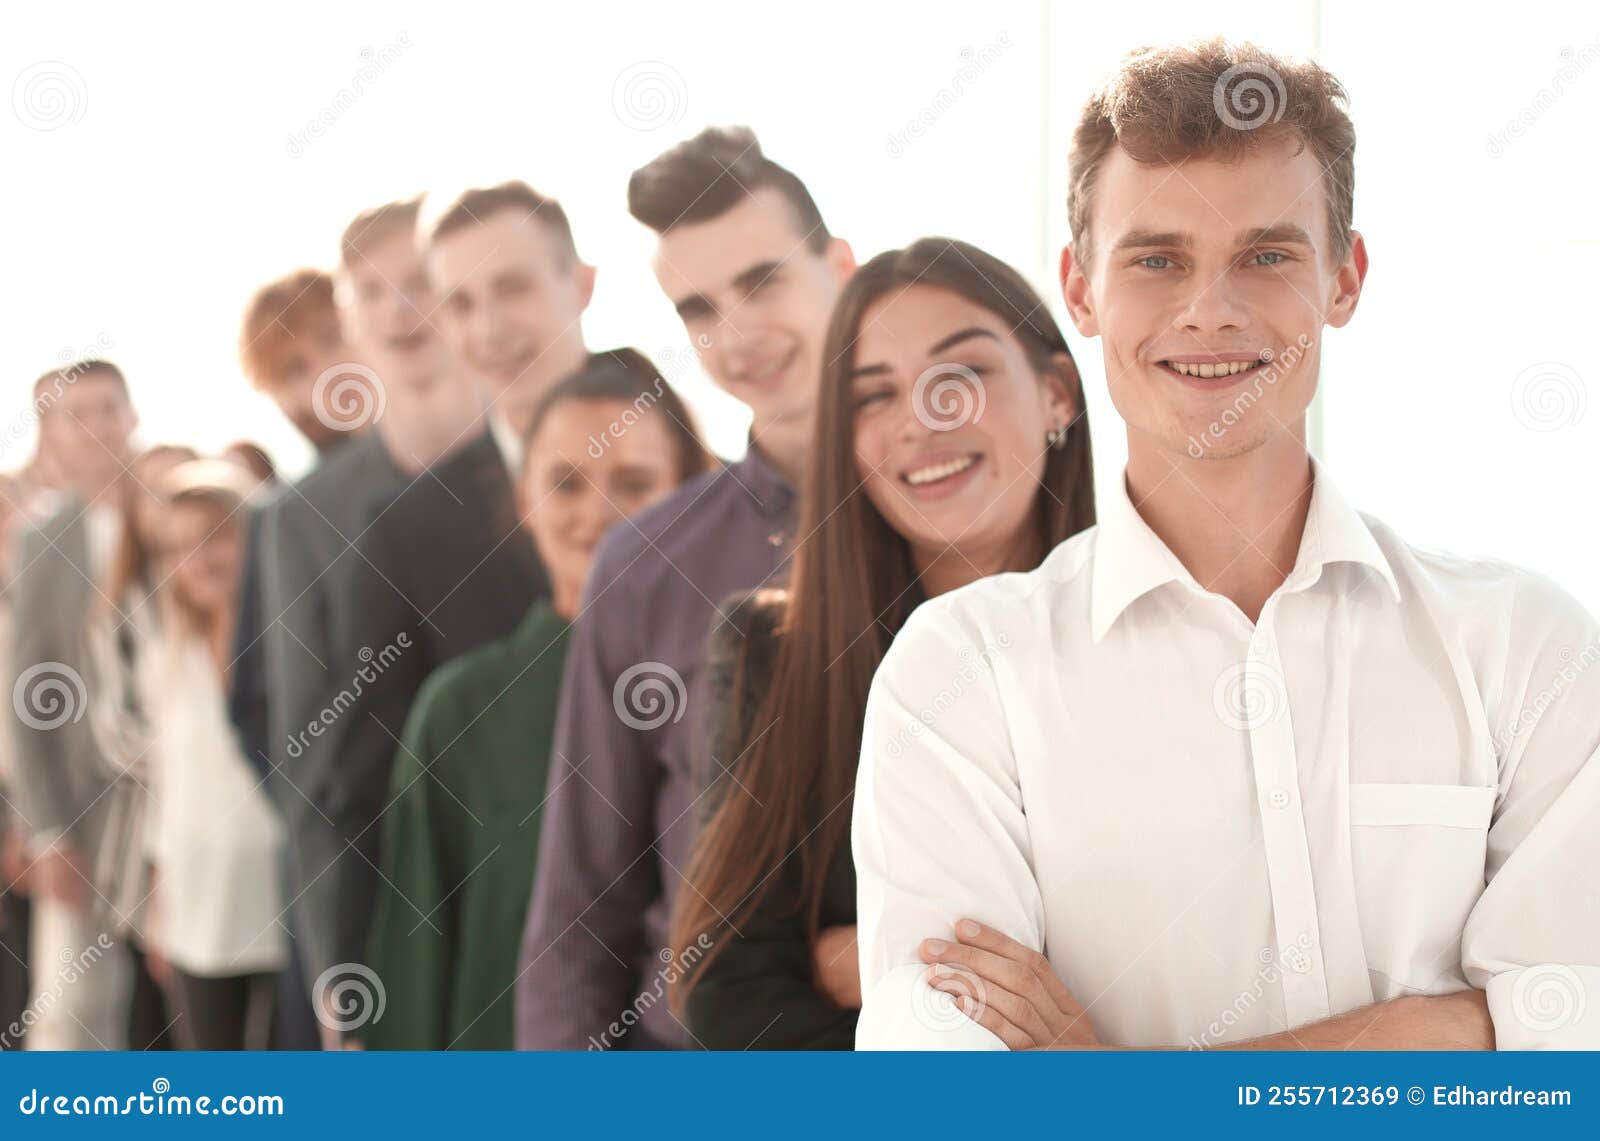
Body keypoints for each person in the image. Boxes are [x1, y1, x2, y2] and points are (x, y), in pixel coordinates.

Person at [852, 39, 1600, 1052]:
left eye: (1266, 254)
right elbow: (950, 1091)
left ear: (1343, 278)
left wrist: (1121, 1091)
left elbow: (1571, 1058)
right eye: (1156, 258)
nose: (1209, 308)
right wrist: (1445, 1026)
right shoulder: (958, 676)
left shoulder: (1525, 645)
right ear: (1079, 290)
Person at [670, 239, 1095, 1049]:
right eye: (874, 395)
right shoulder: (772, 650)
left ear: (1056, 394)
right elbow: (724, 985)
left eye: (960, 375)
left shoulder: (1163, 628)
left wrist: (869, 960)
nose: (920, 421)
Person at [517, 127, 854, 1049]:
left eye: (762, 282)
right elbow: (583, 889)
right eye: (699, 309)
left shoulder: (952, 512)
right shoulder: (641, 561)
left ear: (841, 267)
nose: (736, 336)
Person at [365, 351, 712, 1049]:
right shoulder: (460, 711)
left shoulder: (736, 686)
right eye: (566, 483)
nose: (598, 515)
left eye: (634, 482)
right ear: (525, 499)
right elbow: (415, 965)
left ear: (690, 497)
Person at [254, 196, 482, 1048]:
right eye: (372, 290)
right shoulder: (303, 517)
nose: (401, 308)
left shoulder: (546, 464)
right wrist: (338, 971)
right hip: (396, 907)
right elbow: (314, 772)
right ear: (348, 316)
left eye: (421, 283)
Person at [7, 359, 139, 1049]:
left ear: (132, 416)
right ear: (53, 433)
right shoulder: (44, 538)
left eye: (106, 408)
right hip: (84, 812)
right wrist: (49, 828)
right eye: (74, 415)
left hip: (173, 808)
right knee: (70, 1014)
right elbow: (29, 692)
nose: (94, 428)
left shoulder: (169, 513)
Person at [142, 460, 285, 1050]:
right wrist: (158, 900)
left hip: (284, 894)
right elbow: (165, 790)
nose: (199, 559)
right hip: (200, 901)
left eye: (216, 535)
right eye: (179, 547)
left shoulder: (290, 646)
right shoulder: (165, 659)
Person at [93, 443, 198, 1053]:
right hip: (150, 834)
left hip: (229, 834)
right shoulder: (119, 608)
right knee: (157, 1005)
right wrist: (185, 759)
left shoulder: (223, 592)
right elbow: (115, 728)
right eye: (150, 494)